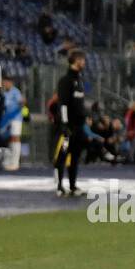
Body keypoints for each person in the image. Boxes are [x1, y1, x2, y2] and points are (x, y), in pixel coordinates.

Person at [54, 48, 87, 196]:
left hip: (79, 127)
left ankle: (73, 186)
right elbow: (63, 104)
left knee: (75, 156)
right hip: (68, 128)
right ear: (75, 61)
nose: (83, 62)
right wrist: (65, 124)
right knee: (62, 156)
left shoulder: (79, 80)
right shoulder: (65, 81)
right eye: (81, 59)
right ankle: (59, 185)